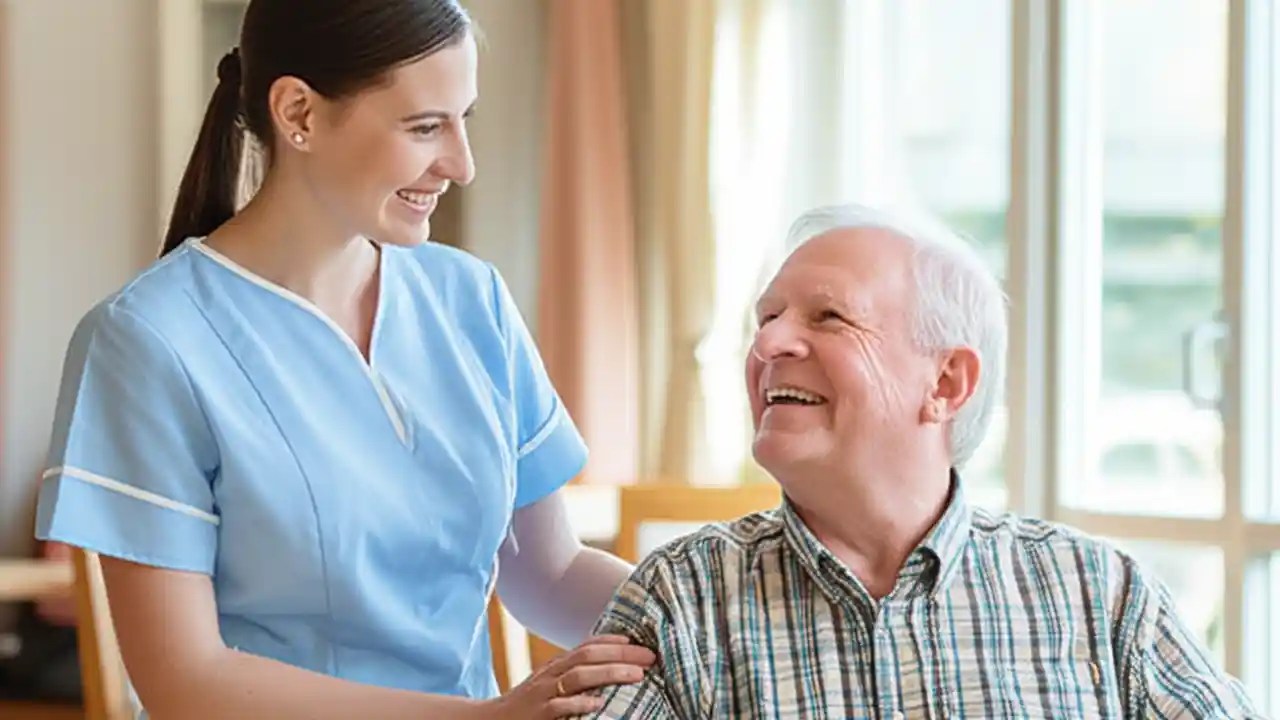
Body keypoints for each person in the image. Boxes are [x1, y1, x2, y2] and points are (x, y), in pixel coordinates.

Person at [33, 2, 654, 718]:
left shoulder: (470, 299)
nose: (461, 164)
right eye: (426, 127)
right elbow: (186, 682)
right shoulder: (145, 340)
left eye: (464, 120)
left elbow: (550, 572)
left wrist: (707, 624)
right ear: (298, 111)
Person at [578, 204, 1262, 719]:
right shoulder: (679, 601)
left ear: (945, 384)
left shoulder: (1096, 594)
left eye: (828, 318)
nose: (771, 343)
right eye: (768, 318)